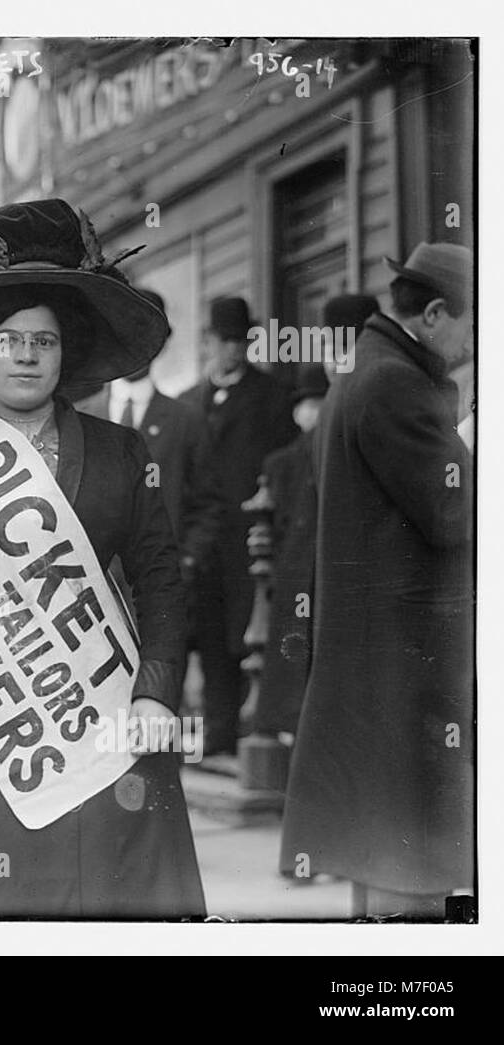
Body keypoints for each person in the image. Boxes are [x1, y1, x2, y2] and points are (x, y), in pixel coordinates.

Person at [0, 199, 205, 918]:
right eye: (8, 339)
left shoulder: (121, 453)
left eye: (44, 342)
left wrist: (154, 688)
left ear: (65, 354)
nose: (26, 355)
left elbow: (161, 581)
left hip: (103, 712)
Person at [280, 244, 474, 918]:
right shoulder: (397, 383)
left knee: (381, 857)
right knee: (411, 862)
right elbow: (457, 512)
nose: (473, 345)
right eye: (473, 329)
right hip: (405, 663)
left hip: (374, 660)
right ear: (435, 313)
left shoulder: (364, 369)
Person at [251, 294, 379, 740]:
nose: (335, 358)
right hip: (307, 553)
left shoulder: (374, 391)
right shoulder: (308, 437)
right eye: (330, 346)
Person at [178, 297, 296, 760]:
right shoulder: (189, 403)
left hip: (251, 544)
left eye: (241, 341)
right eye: (224, 341)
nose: (233, 350)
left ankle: (254, 738)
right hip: (204, 544)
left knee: (244, 638)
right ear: (208, 341)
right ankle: (217, 737)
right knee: (206, 640)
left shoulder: (271, 397)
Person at [75, 288, 222, 595]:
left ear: (161, 345)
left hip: (161, 590)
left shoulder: (186, 420)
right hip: (90, 591)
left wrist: (187, 562)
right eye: (123, 334)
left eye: (146, 335)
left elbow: (209, 504)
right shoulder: (81, 418)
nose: (134, 347)